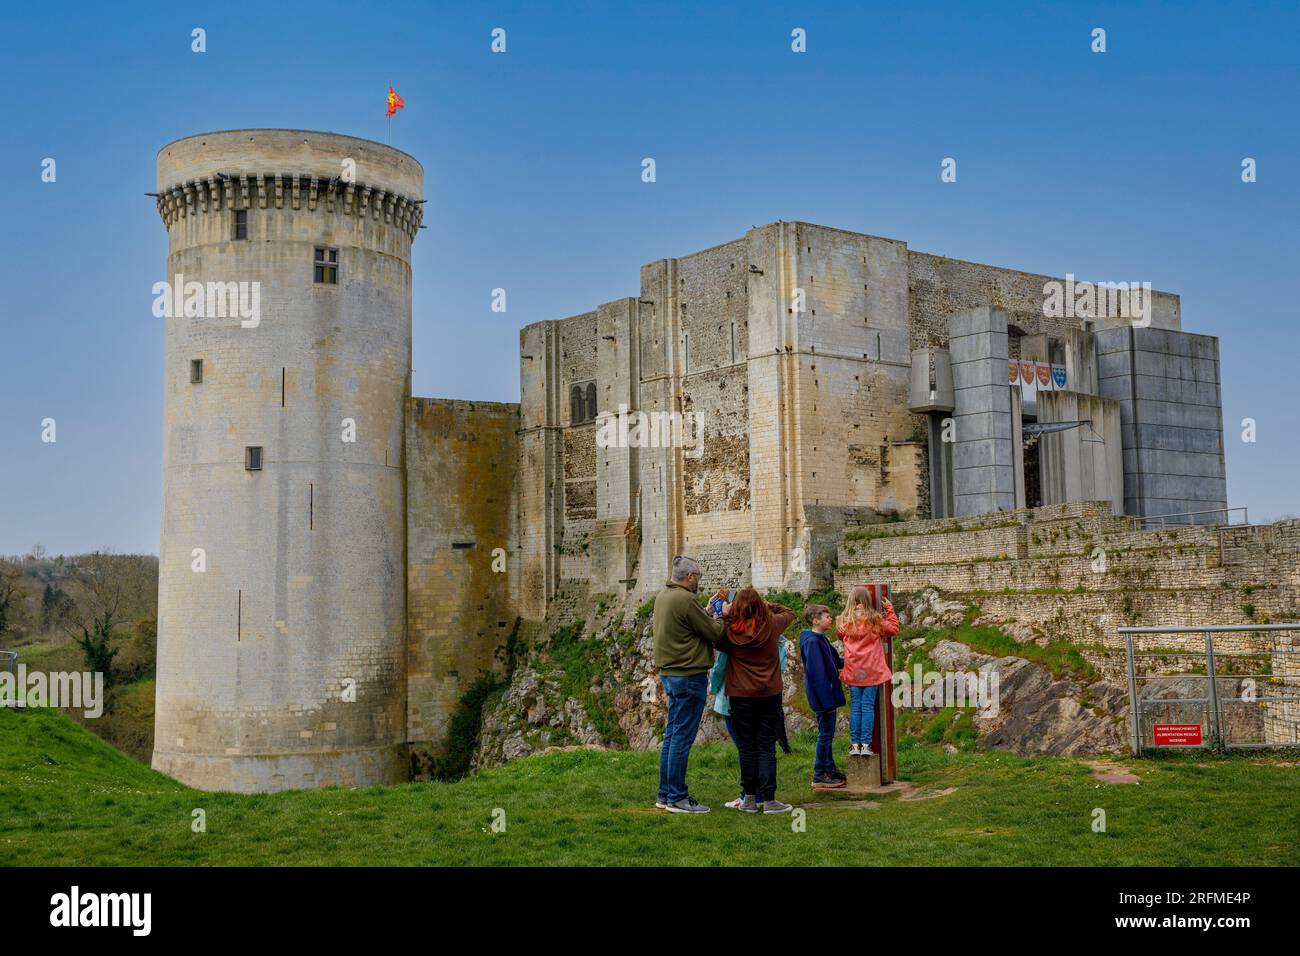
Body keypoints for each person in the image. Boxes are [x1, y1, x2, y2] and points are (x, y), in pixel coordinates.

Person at [652, 555, 724, 813]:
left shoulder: (664, 596)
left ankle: (665, 793)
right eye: (698, 577)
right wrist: (721, 616)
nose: (699, 582)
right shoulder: (686, 599)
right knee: (682, 738)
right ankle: (677, 798)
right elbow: (714, 632)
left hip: (670, 673)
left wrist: (703, 613)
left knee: (672, 736)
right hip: (688, 674)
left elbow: (684, 624)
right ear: (690, 576)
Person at [717, 588, 796, 814]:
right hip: (769, 693)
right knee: (765, 747)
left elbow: (711, 635)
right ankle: (769, 800)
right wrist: (768, 605)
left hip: (740, 695)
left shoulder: (730, 632)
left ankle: (749, 799)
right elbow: (790, 612)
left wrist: (725, 614)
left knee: (746, 748)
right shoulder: (771, 625)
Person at [836, 586, 899, 756]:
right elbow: (893, 629)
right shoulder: (873, 619)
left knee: (856, 706)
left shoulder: (842, 620)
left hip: (853, 669)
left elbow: (840, 636)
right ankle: (866, 745)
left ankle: (855, 746)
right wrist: (889, 609)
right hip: (872, 669)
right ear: (868, 600)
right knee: (867, 706)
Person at [799, 603, 847, 789]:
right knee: (825, 735)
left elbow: (836, 661)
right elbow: (818, 674)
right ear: (815, 620)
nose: (830, 619)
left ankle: (829, 768)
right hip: (822, 696)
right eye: (826, 617)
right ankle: (819, 773)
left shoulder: (822, 639)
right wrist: (827, 700)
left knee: (827, 733)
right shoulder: (812, 642)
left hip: (827, 694)